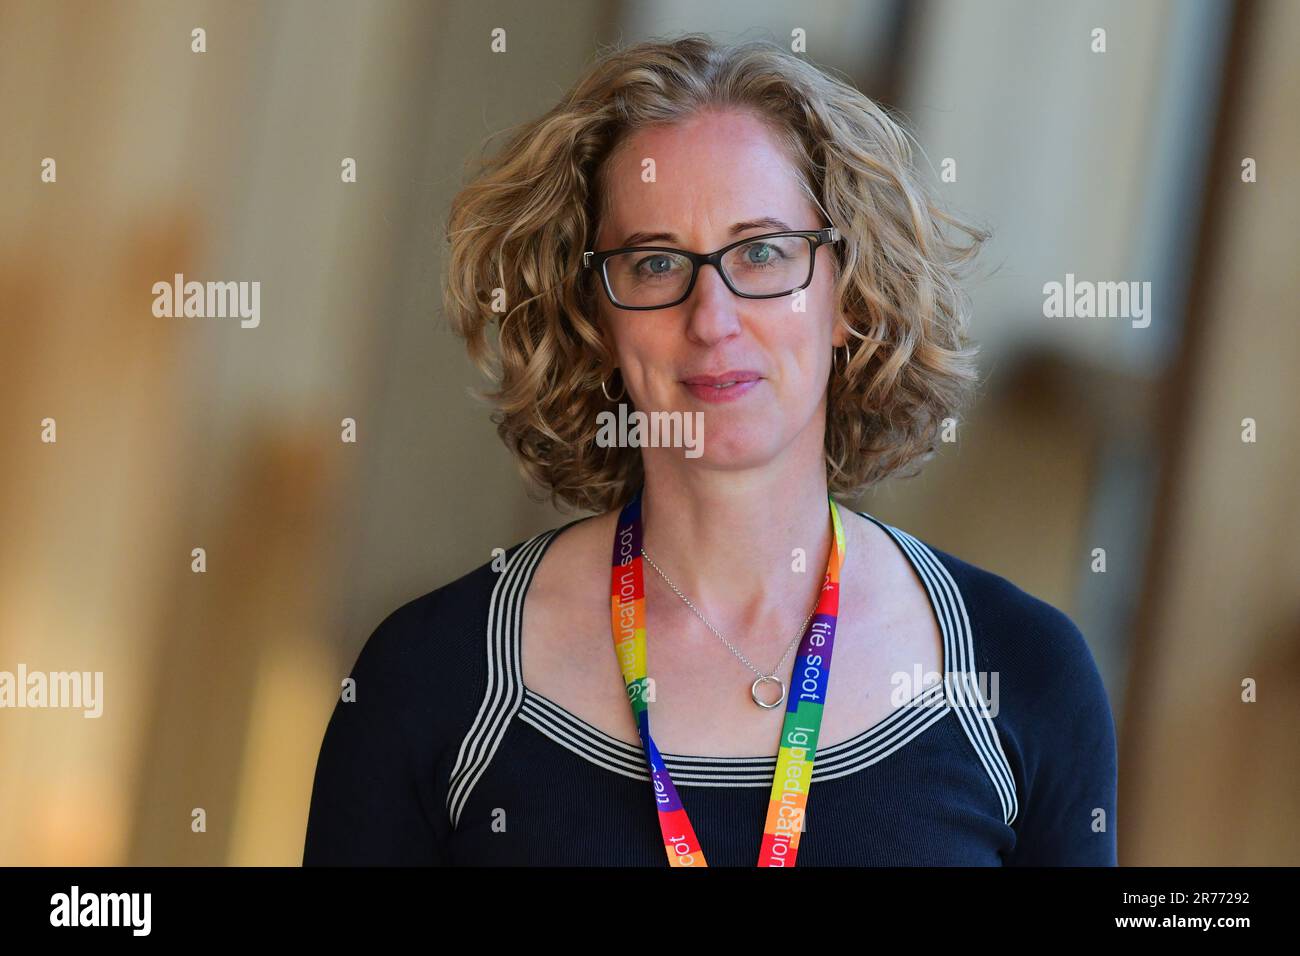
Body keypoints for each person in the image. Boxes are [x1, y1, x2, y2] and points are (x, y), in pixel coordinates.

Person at [303, 33, 1117, 866]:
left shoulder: (1021, 673)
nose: (712, 318)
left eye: (761, 252)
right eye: (656, 263)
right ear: (598, 315)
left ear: (848, 294)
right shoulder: (430, 679)